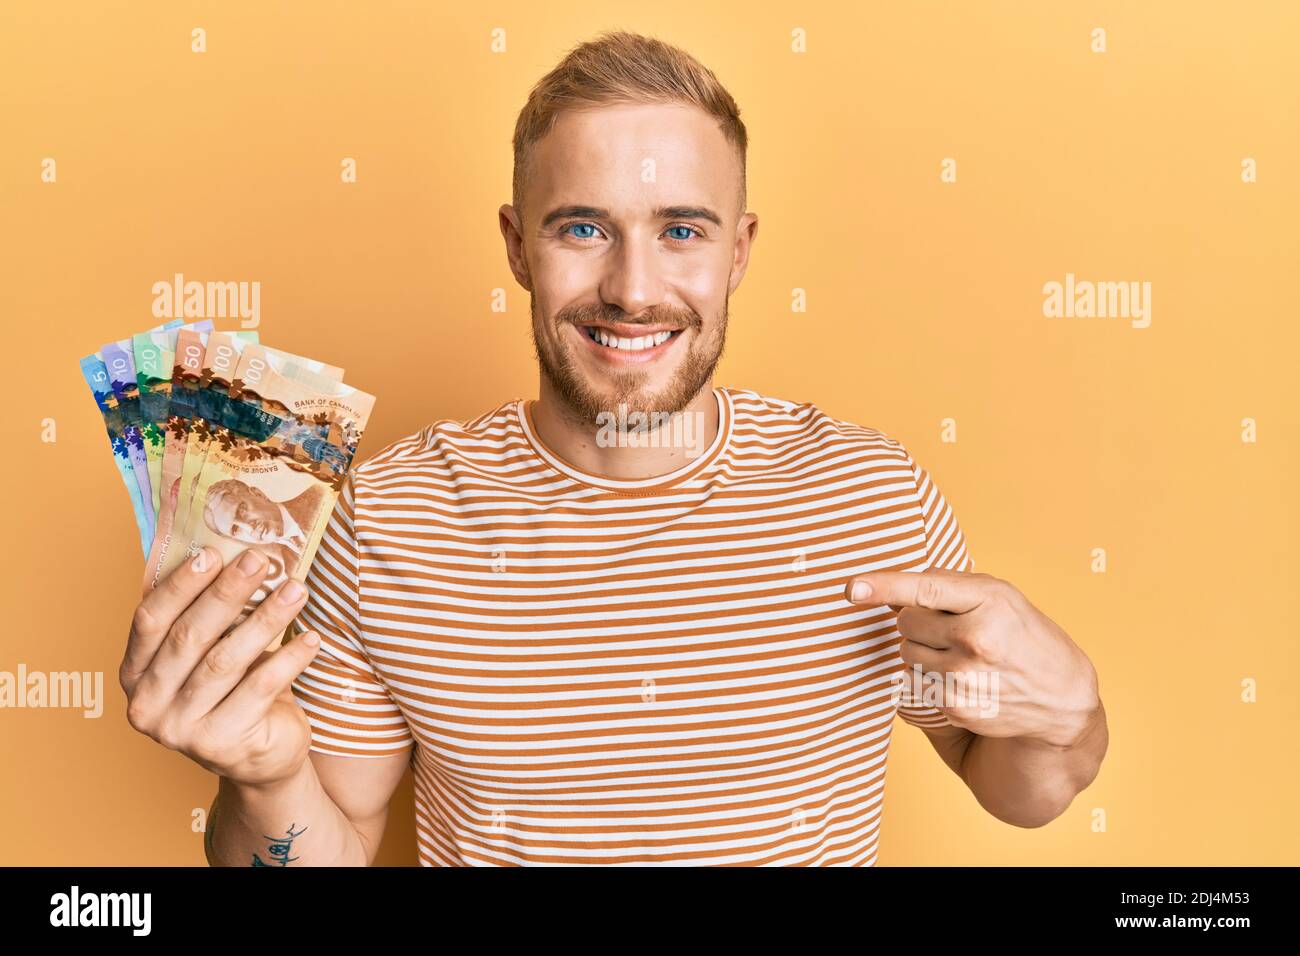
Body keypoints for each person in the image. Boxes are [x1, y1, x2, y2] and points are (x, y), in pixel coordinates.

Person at [120, 30, 1107, 867]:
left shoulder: (873, 497)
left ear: (740, 250)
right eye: (583, 227)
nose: (633, 288)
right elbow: (314, 853)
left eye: (681, 228)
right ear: (516, 244)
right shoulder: (386, 521)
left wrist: (1071, 712)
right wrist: (265, 776)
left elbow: (1018, 791)